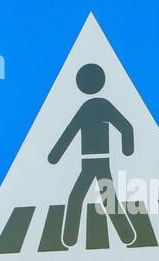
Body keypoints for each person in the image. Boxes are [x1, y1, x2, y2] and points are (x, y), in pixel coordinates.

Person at [47, 62, 137, 248]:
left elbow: (69, 133)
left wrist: (55, 156)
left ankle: (71, 238)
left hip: (93, 163)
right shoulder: (101, 106)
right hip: (95, 162)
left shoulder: (89, 107)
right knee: (99, 198)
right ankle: (125, 236)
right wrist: (126, 149)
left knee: (79, 197)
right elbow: (126, 128)